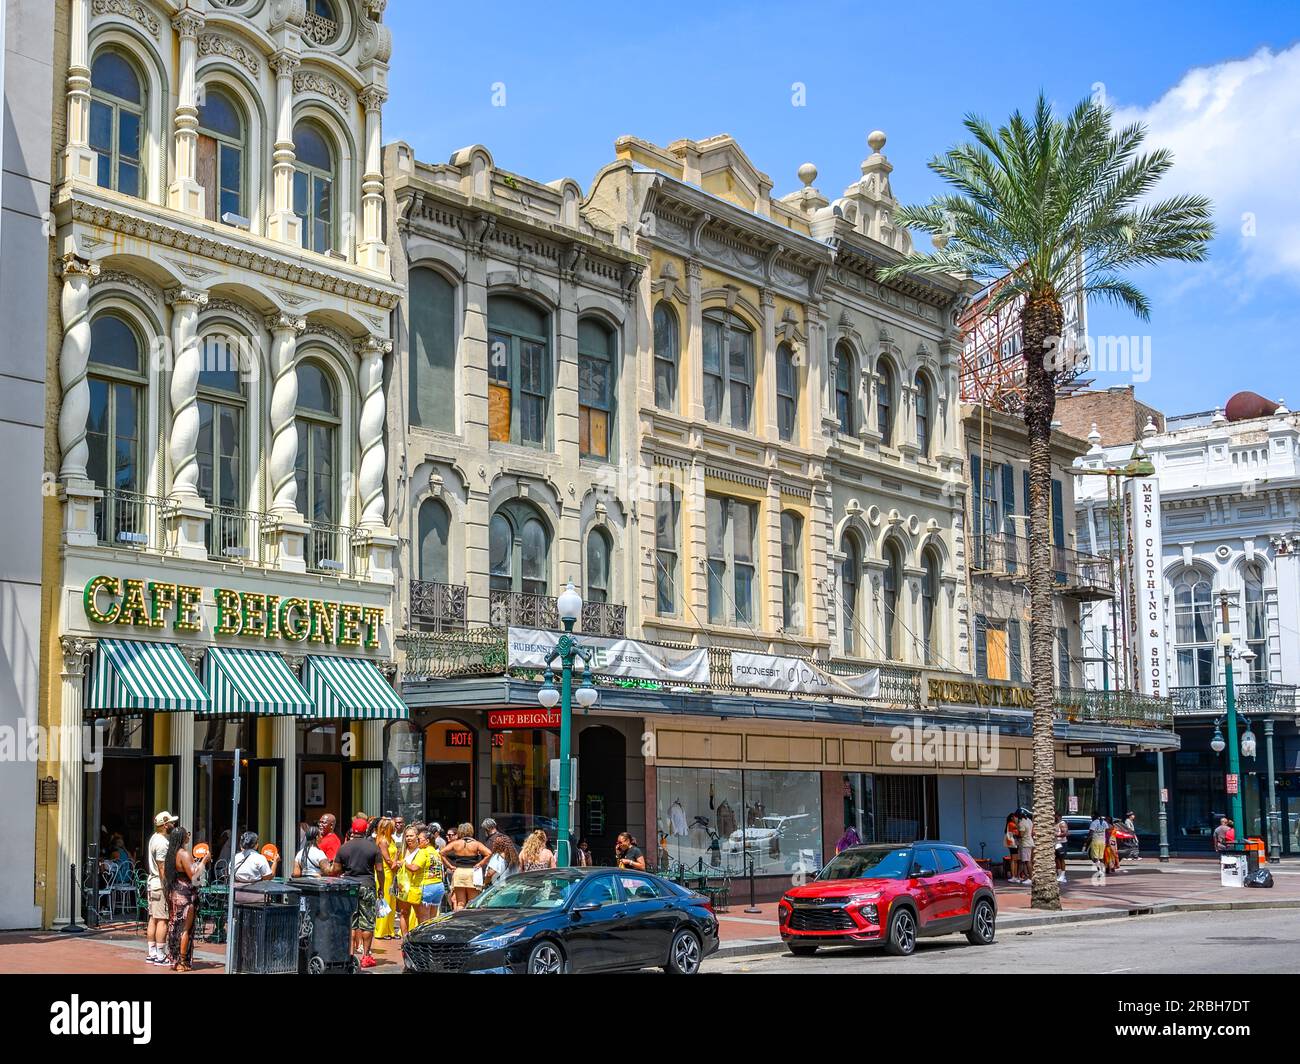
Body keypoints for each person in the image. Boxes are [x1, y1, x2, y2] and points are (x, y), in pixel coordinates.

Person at [335, 816, 384, 968]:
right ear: (365, 830)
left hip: (349, 887)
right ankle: (366, 956)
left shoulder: (344, 848)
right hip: (367, 886)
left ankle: (350, 955)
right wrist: (381, 887)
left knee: (351, 920)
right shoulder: (373, 848)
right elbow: (380, 871)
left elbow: (336, 870)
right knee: (367, 922)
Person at [163, 824, 209, 972]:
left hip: (174, 892)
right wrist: (204, 861)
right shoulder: (184, 853)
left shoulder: (171, 854)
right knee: (185, 929)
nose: (189, 835)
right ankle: (182, 962)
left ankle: (175, 959)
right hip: (185, 896)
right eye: (187, 833)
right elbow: (195, 877)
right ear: (183, 838)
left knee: (174, 927)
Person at [145, 811, 177, 965]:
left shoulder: (154, 838)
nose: (173, 825)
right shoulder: (162, 843)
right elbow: (162, 867)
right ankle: (160, 955)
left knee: (153, 918)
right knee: (162, 920)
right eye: (171, 822)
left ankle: (152, 952)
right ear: (165, 825)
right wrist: (167, 886)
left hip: (153, 883)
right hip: (159, 883)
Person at [440, 823, 491, 910]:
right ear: (471, 831)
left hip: (459, 872)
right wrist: (480, 864)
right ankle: (471, 922)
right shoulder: (476, 844)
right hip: (472, 872)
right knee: (472, 901)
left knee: (460, 902)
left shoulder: (456, 843)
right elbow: (489, 853)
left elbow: (441, 853)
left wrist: (449, 866)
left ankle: (459, 921)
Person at [395, 826, 426, 935]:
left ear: (417, 837)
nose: (409, 838)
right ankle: (405, 938)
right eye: (407, 836)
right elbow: (394, 866)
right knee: (404, 913)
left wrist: (403, 863)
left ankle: (420, 938)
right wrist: (396, 862)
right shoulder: (402, 851)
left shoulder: (421, 852)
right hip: (403, 887)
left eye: (411, 836)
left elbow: (414, 868)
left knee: (420, 915)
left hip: (416, 887)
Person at [372, 817, 400, 940]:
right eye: (392, 827)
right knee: (384, 902)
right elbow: (388, 860)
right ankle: (381, 931)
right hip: (386, 874)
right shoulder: (383, 841)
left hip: (392, 874)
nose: (394, 829)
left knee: (392, 903)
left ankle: (390, 930)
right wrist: (397, 858)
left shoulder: (391, 839)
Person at [417, 828, 445, 923]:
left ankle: (422, 937)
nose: (418, 841)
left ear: (427, 841)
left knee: (423, 919)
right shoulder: (436, 852)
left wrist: (404, 863)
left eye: (419, 839)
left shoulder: (423, 851)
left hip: (427, 886)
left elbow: (415, 867)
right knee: (433, 919)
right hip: (439, 886)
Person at [1016, 810, 1034, 884]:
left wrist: (1016, 835)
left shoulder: (1022, 823)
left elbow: (1021, 834)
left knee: (1027, 861)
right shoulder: (1029, 821)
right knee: (1025, 860)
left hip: (1025, 843)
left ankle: (1030, 878)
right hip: (1029, 842)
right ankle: (1025, 877)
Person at [1004, 813, 1021, 882]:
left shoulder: (1009, 824)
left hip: (1010, 843)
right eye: (1015, 817)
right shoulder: (1012, 824)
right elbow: (1017, 833)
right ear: (1012, 817)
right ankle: (1014, 876)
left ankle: (1014, 876)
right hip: (1013, 843)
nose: (1016, 818)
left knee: (1013, 859)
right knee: (1014, 860)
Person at [1054, 811, 1069, 883]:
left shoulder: (1062, 823)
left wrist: (1055, 835)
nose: (1054, 817)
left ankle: (1063, 876)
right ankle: (1059, 875)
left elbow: (1065, 833)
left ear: (1059, 816)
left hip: (1061, 843)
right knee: (1057, 859)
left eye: (1055, 816)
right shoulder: (1055, 823)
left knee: (1061, 859)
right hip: (1056, 843)